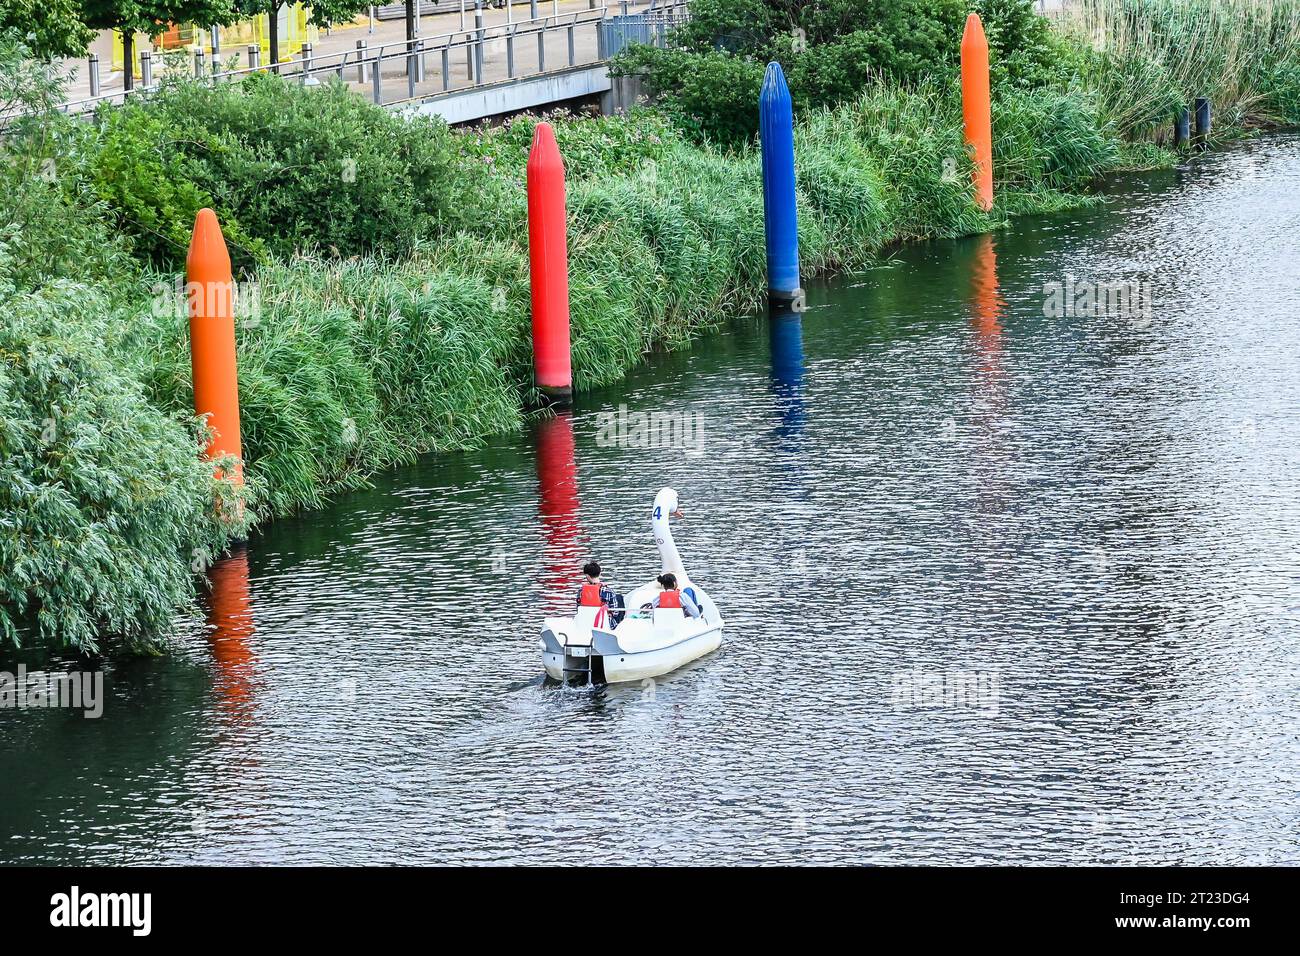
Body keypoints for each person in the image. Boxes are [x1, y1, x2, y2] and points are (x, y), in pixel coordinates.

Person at [576, 560, 625, 627]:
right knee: (619, 597)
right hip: (604, 624)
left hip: (585, 622)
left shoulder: (580, 591)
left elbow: (579, 609)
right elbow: (615, 613)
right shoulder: (608, 591)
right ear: (600, 573)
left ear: (587, 576)